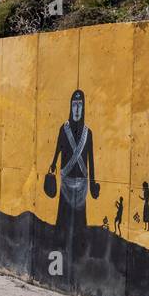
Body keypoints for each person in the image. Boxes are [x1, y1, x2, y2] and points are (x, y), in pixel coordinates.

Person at [47, 89, 99, 234]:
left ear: (84, 107)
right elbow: (57, 150)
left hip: (82, 185)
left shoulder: (88, 134)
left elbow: (92, 161)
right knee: (63, 224)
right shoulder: (64, 129)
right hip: (66, 182)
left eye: (80, 104)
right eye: (74, 104)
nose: (77, 108)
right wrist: (52, 165)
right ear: (70, 106)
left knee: (80, 227)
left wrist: (93, 185)